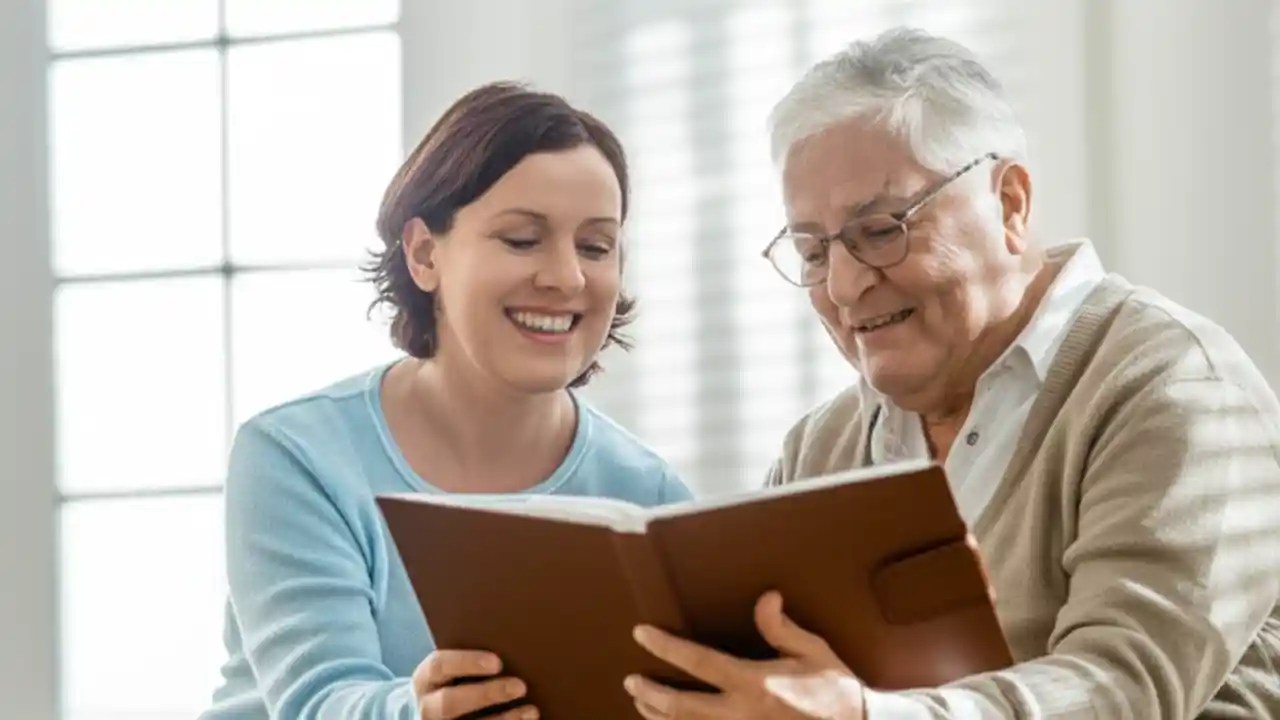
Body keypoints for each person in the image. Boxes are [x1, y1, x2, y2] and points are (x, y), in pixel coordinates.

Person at [623, 27, 1280, 719]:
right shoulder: (820, 449)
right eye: (814, 252)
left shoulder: (1175, 388)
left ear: (1011, 203)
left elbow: (1121, 688)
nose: (844, 288)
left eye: (880, 230)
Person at [201, 81, 693, 720]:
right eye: (522, 239)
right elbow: (317, 702)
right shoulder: (296, 457)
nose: (567, 277)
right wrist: (427, 710)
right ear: (425, 253)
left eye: (596, 247)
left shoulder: (650, 497)